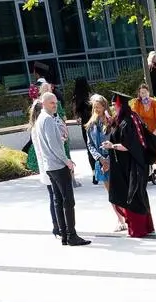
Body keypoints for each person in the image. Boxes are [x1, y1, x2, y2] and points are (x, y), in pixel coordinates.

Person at [32, 91, 88, 246]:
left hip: (50, 166)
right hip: (57, 165)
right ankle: (71, 235)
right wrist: (67, 161)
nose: (55, 105)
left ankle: (64, 234)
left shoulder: (41, 119)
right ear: (43, 103)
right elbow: (53, 145)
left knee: (58, 200)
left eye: (56, 103)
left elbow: (52, 142)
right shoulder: (47, 120)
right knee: (68, 201)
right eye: (52, 103)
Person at [105, 95, 154, 239]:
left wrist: (111, 146)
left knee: (132, 195)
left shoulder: (127, 122)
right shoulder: (132, 117)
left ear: (120, 105)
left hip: (132, 165)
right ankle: (146, 226)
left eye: (115, 104)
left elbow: (128, 146)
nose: (113, 107)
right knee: (139, 194)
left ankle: (138, 229)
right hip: (136, 163)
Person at [132, 84, 156, 182]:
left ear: (148, 92)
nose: (143, 94)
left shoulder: (155, 103)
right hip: (144, 131)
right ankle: (147, 171)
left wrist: (155, 132)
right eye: (141, 92)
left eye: (145, 92)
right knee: (145, 151)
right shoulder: (137, 103)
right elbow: (135, 116)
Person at [85, 94, 110, 191]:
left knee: (117, 192)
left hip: (112, 159)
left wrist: (107, 160)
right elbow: (90, 144)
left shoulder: (111, 122)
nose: (96, 109)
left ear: (104, 107)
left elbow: (115, 141)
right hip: (100, 161)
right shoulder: (91, 124)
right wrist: (100, 158)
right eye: (94, 107)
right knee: (110, 194)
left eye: (98, 107)